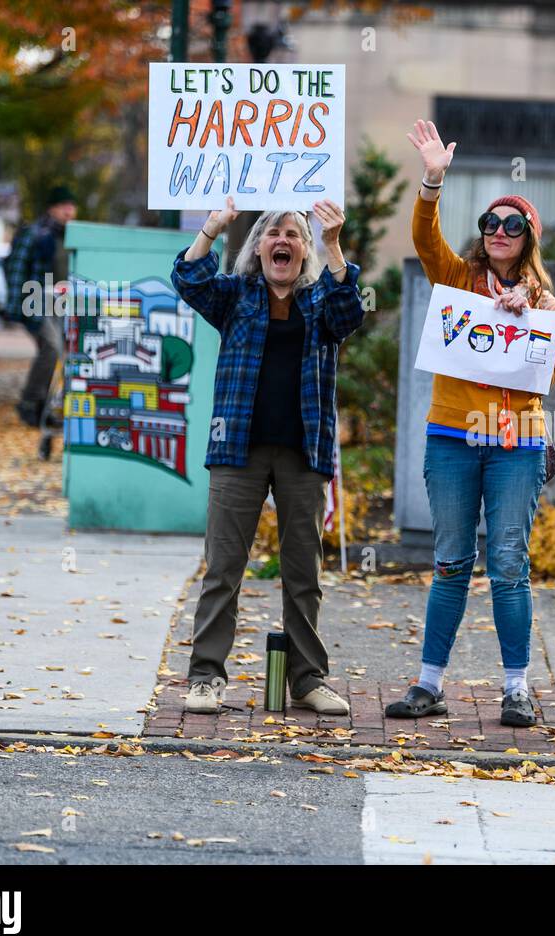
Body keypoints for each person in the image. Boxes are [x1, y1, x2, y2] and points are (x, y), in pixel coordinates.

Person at [384, 119, 555, 728]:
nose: (499, 232)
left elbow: (548, 371)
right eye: (491, 223)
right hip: (453, 438)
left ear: (529, 239)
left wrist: (526, 316)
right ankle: (428, 684)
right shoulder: (457, 278)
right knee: (451, 559)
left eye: (514, 225)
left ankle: (516, 690)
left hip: (515, 443)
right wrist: (433, 180)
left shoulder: (546, 304)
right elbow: (423, 239)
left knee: (509, 562)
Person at [172, 197, 363, 716]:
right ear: (257, 247)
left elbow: (351, 311)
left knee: (303, 572)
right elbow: (189, 280)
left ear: (304, 252)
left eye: (293, 235)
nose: (283, 241)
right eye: (273, 233)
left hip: (303, 452)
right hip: (237, 449)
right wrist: (211, 230)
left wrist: (333, 242)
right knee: (224, 568)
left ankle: (308, 678)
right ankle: (207, 676)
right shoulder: (236, 297)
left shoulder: (321, 300)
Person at [5, 185, 77, 427]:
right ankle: (30, 402)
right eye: (63, 205)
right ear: (52, 208)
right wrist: (20, 307)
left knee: (63, 354)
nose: (69, 210)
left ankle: (46, 408)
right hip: (37, 303)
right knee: (51, 350)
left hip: (63, 307)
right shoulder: (36, 234)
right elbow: (16, 269)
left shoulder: (72, 237)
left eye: (71, 205)